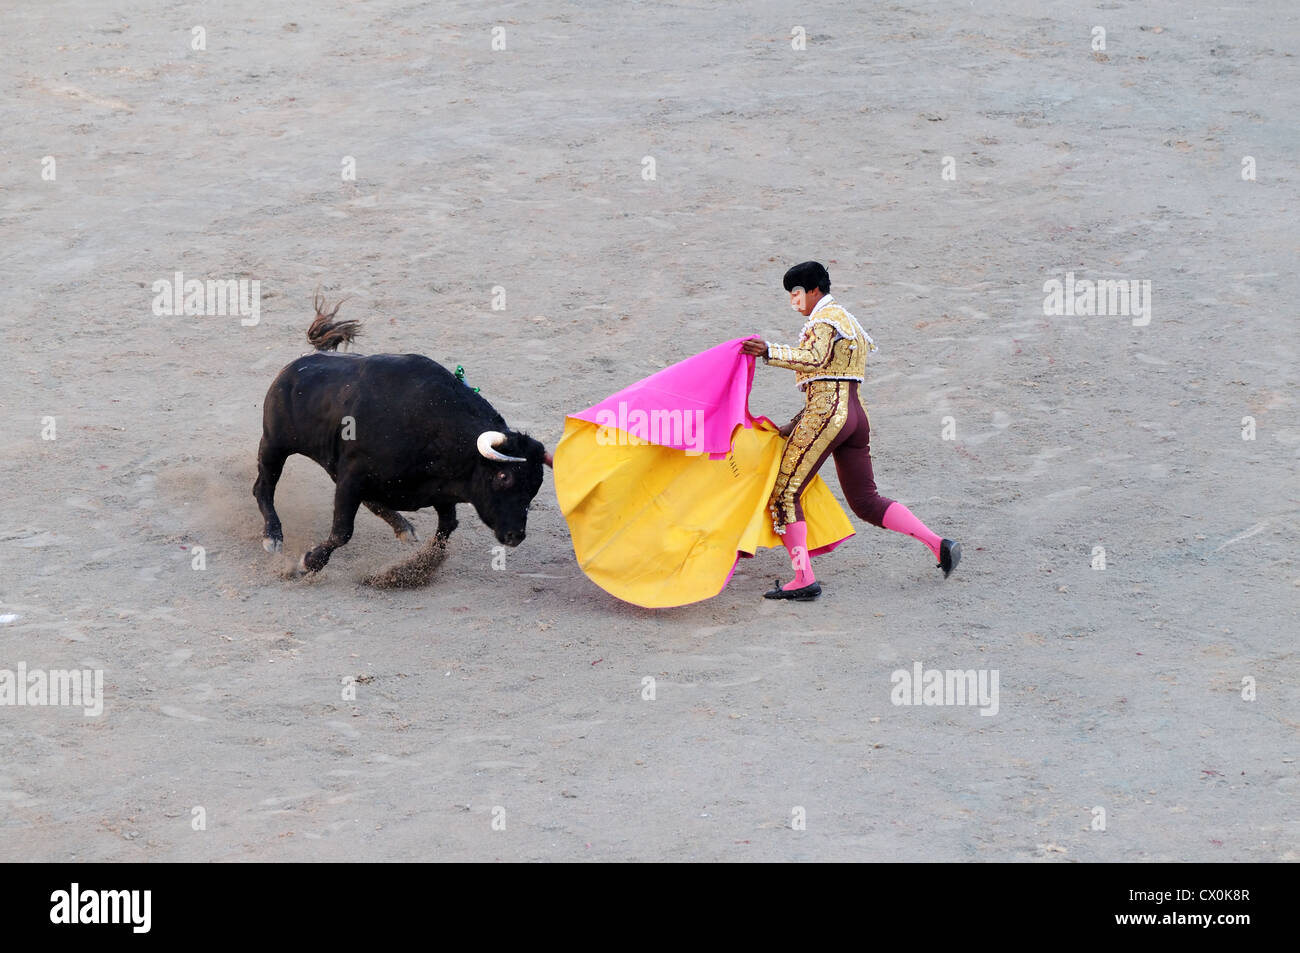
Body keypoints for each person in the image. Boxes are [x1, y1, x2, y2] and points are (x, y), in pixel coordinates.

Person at [740, 261, 960, 600]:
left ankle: (802, 579)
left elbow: (814, 360)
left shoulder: (825, 320)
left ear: (814, 290)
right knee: (865, 500)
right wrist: (795, 423)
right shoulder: (846, 320)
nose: (793, 302)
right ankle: (939, 544)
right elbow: (831, 376)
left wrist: (769, 351)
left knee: (785, 493)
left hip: (828, 414)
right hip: (854, 415)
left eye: (796, 293)